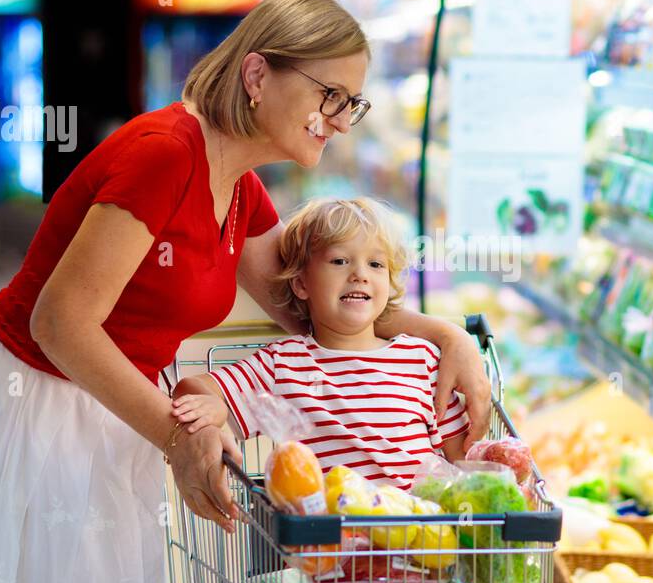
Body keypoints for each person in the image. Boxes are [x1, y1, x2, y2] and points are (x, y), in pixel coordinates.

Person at [0, 0, 491, 583]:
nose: (340, 121)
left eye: (351, 104)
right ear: (259, 75)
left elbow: (315, 308)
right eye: (332, 94)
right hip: (42, 397)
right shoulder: (164, 157)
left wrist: (440, 334)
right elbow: (57, 323)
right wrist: (180, 440)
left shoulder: (238, 186)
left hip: (115, 403)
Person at [170, 197, 469, 487]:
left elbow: (463, 461)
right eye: (340, 260)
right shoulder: (283, 364)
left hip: (418, 533)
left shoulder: (422, 360)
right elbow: (193, 388)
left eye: (376, 265)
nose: (360, 275)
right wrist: (216, 411)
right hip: (323, 533)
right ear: (301, 284)